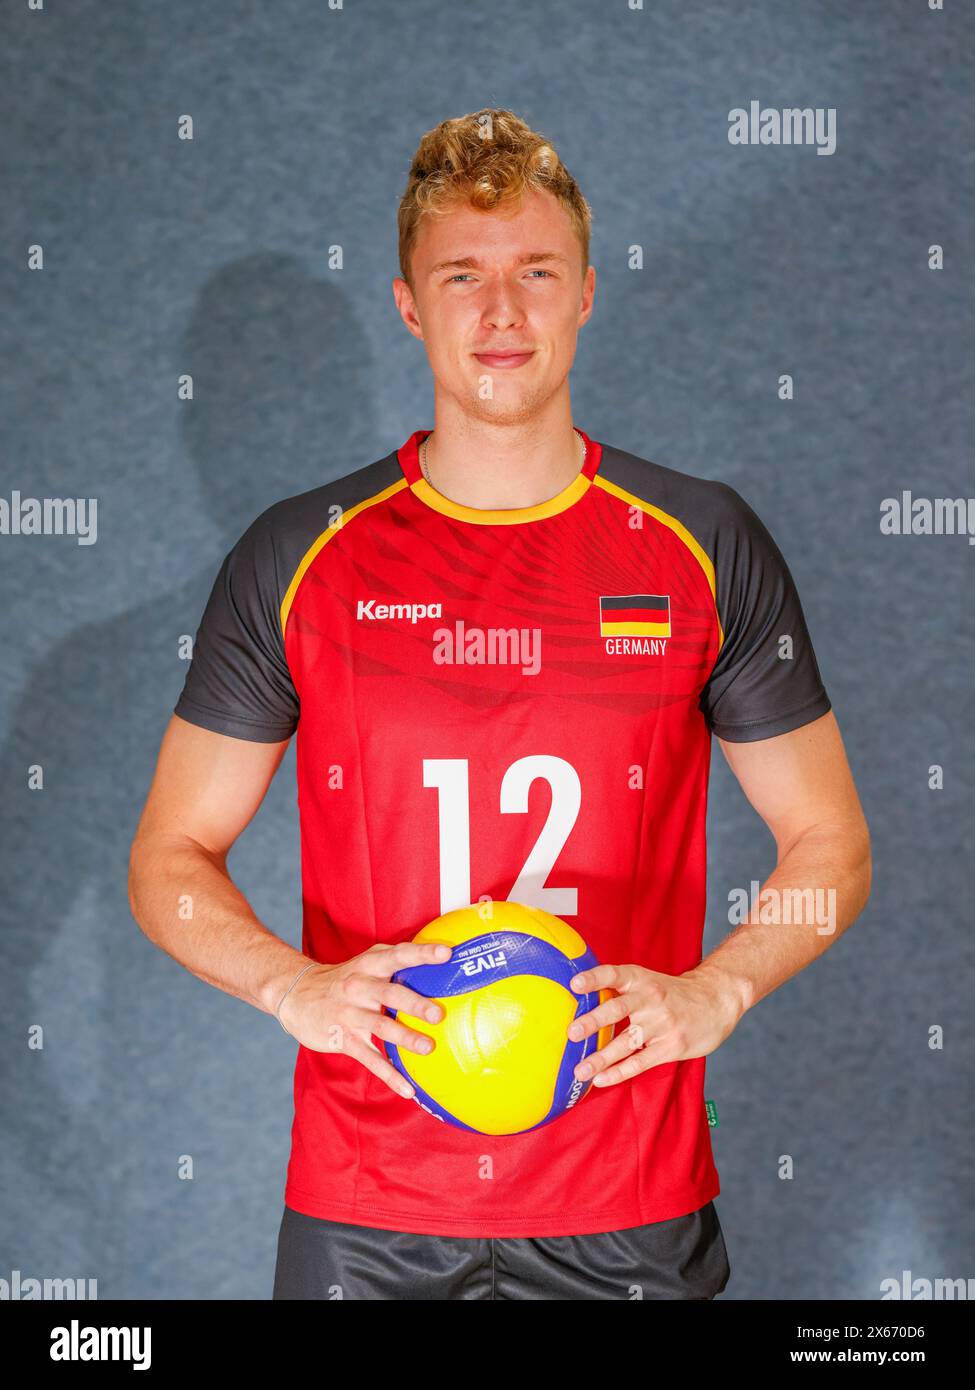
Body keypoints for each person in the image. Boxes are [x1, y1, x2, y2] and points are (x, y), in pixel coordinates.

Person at [128, 108, 871, 1300]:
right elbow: (169, 855)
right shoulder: (300, 556)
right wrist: (290, 983)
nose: (501, 312)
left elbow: (831, 841)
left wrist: (719, 986)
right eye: (462, 277)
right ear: (409, 304)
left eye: (535, 272)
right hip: (369, 1201)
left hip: (628, 1192)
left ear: (586, 293)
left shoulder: (700, 541)